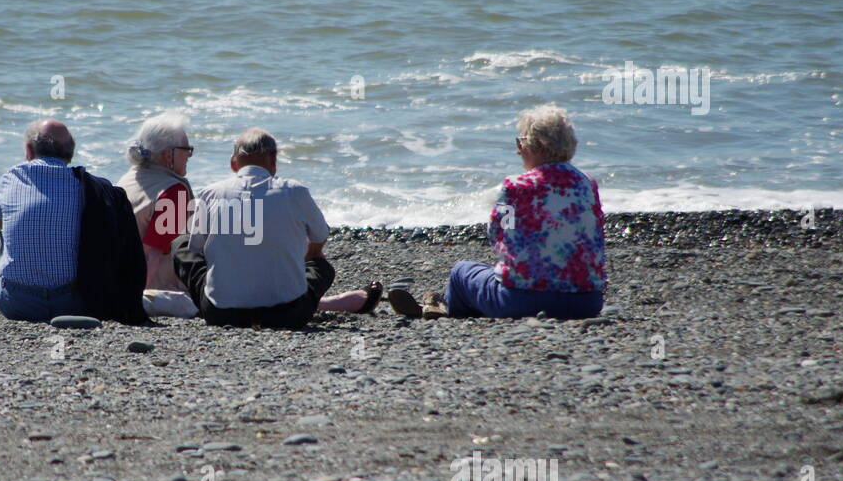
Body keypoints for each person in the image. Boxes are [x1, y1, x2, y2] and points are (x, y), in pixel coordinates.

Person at [389, 106, 606, 320]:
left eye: (520, 142)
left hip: (522, 300)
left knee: (461, 272)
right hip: (586, 302)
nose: (518, 150)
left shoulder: (516, 186)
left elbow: (500, 235)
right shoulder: (587, 184)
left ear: (535, 146)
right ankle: (449, 304)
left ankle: (445, 308)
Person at [171, 128, 378, 329]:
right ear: (273, 160)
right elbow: (321, 234)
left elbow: (197, 249)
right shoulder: (295, 191)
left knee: (181, 244)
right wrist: (308, 255)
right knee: (321, 267)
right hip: (288, 314)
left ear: (234, 163)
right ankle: (335, 301)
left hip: (221, 313)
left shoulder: (211, 193)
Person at [0, 118, 145, 323]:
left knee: (8, 225)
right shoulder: (88, 187)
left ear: (29, 151)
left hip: (17, 303)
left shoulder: (13, 176)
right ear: (70, 153)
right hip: (74, 302)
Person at [115, 113, 199, 317]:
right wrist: (135, 303)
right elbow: (151, 254)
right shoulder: (173, 192)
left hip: (116, 281)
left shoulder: (127, 179)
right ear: (167, 155)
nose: (189, 155)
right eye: (186, 149)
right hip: (158, 289)